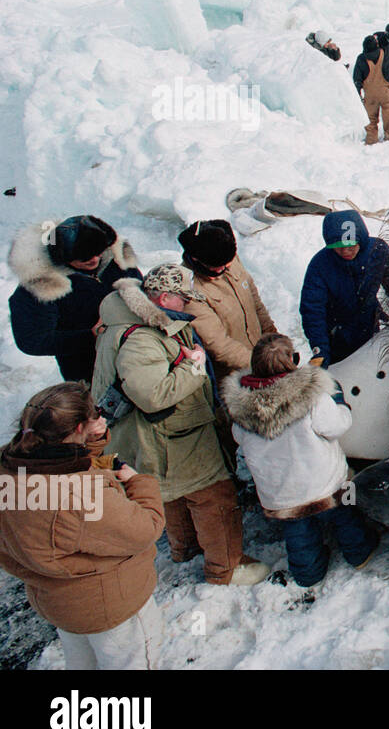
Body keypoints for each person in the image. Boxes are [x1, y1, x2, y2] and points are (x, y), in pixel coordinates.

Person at [91, 265, 270, 586]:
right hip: (172, 435)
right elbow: (152, 394)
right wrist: (194, 367)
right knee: (214, 497)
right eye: (183, 299)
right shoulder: (142, 338)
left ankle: (185, 548)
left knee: (172, 493)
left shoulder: (124, 324)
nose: (187, 304)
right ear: (162, 297)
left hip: (152, 438)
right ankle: (226, 568)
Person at [0, 382, 166, 669]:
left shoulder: (11, 465)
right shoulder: (79, 496)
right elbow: (146, 528)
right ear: (78, 428)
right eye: (94, 415)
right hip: (109, 605)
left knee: (83, 663)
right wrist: (139, 482)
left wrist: (90, 442)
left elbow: (58, 469)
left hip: (59, 601)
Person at [222, 334, 380, 586]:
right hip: (325, 484)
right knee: (345, 514)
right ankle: (359, 552)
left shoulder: (242, 405)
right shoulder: (311, 396)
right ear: (293, 361)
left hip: (280, 493)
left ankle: (308, 574)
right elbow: (336, 426)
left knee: (298, 535)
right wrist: (339, 402)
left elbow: (238, 437)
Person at [8, 215, 142, 383]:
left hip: (137, 356)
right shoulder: (40, 286)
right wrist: (90, 337)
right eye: (84, 258)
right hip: (89, 371)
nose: (94, 259)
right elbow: (31, 340)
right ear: (63, 257)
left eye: (97, 252)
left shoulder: (117, 259)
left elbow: (141, 288)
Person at [178, 219, 278, 383]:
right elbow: (218, 345)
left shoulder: (227, 256)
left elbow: (254, 300)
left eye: (227, 264)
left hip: (259, 355)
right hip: (233, 375)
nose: (224, 269)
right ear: (196, 260)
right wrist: (261, 365)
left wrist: (272, 336)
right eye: (216, 268)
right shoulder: (190, 291)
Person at [300, 210, 389, 369]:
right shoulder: (320, 265)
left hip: (370, 328)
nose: (345, 252)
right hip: (337, 337)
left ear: (361, 239)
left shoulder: (378, 251)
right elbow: (313, 311)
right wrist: (319, 349)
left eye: (350, 246)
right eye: (338, 247)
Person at [352, 33, 389, 145]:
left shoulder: (362, 58)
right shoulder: (385, 54)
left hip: (370, 94)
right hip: (386, 92)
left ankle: (371, 140)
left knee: (371, 119)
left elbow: (357, 79)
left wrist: (358, 93)